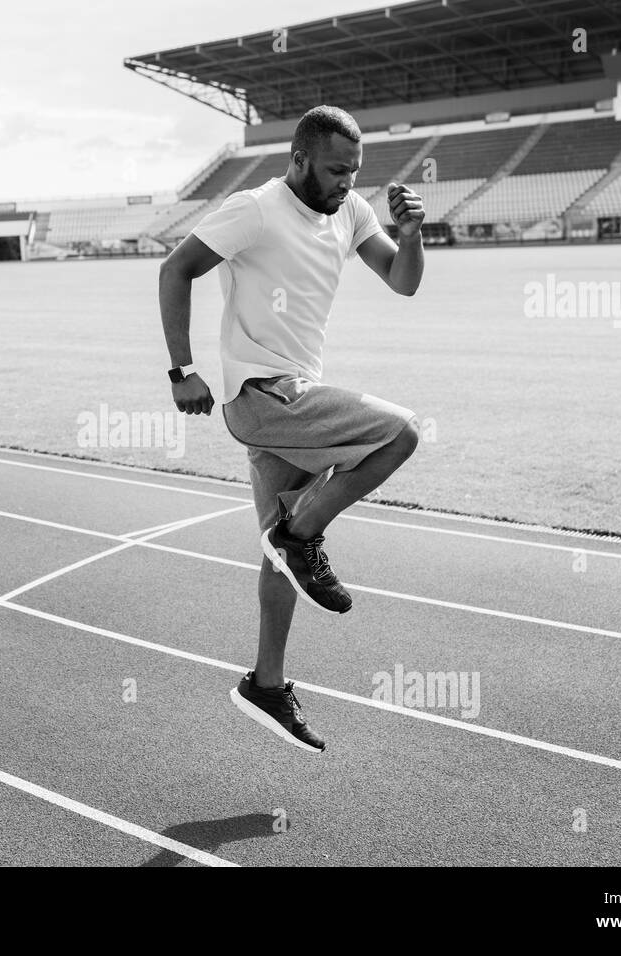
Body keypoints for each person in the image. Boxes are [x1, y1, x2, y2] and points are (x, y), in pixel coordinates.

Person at [157, 104, 425, 753]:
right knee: (402, 433)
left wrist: (412, 232)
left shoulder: (353, 212)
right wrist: (181, 371)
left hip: (292, 401)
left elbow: (402, 280)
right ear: (299, 160)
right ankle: (301, 529)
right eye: (336, 170)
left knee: (278, 558)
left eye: (355, 172)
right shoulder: (256, 209)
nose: (346, 183)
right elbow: (176, 269)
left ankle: (266, 683)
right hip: (260, 393)